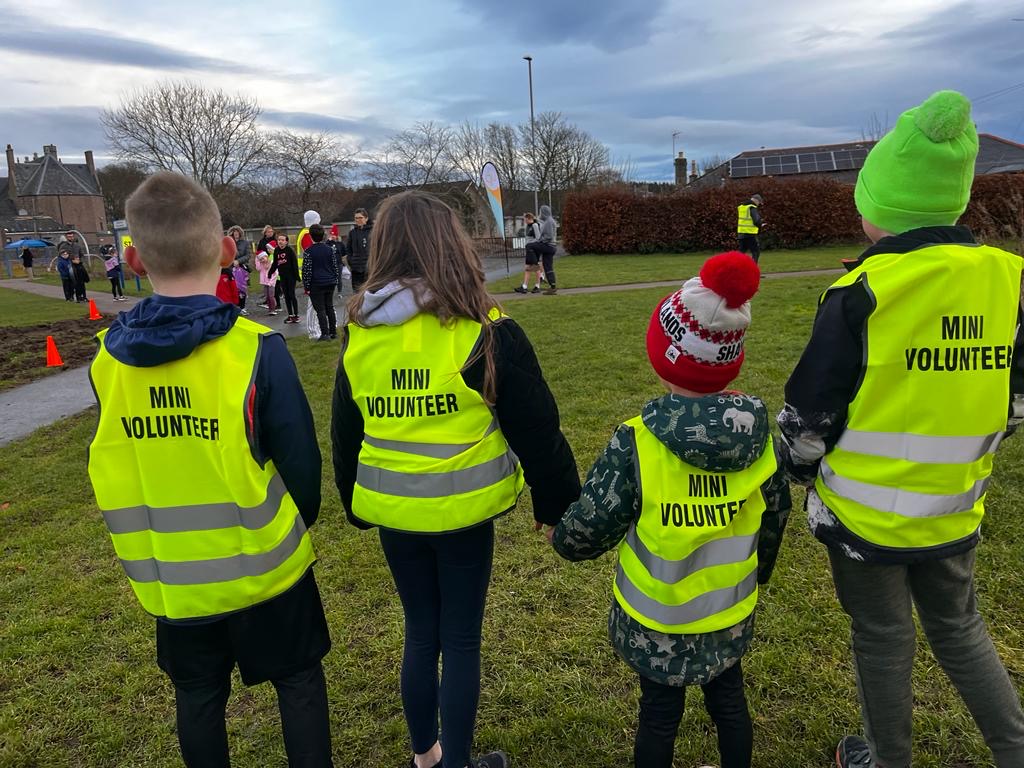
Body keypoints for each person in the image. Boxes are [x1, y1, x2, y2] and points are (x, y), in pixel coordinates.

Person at [776, 90, 1024, 768]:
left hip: (863, 521)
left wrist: (794, 474)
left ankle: (886, 759)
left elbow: (807, 419)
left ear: (879, 207)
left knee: (882, 637)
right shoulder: (1009, 278)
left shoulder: (861, 290)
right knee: (961, 628)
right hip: (953, 508)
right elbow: (1014, 396)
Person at [86, 171, 333, 767]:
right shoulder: (257, 349)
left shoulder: (107, 362)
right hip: (267, 566)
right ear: (228, 251)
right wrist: (299, 523)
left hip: (171, 577)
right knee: (298, 684)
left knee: (197, 698)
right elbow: (302, 465)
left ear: (135, 259)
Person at [331, 190, 581, 768]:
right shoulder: (485, 329)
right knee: (459, 638)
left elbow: (345, 430)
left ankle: (427, 757)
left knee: (421, 633)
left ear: (385, 248)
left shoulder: (360, 332)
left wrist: (353, 501)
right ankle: (455, 763)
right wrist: (556, 505)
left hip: (395, 512)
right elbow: (538, 428)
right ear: (454, 245)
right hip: (464, 512)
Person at [551, 251, 790, 768]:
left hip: (655, 619)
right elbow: (774, 518)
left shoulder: (635, 442)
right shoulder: (763, 443)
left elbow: (592, 522)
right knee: (730, 705)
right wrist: (760, 572)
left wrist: (562, 539)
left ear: (665, 355)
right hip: (728, 611)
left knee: (658, 716)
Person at [301, 223, 340, 341]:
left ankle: (325, 333)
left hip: (316, 284)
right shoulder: (330, 250)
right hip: (330, 282)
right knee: (329, 307)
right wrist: (335, 279)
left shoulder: (308, 252)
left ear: (311, 236)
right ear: (323, 235)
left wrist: (306, 286)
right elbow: (335, 266)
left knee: (320, 309)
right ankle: (333, 332)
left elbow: (306, 271)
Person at [524, 205, 557, 294]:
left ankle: (534, 264)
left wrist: (541, 241)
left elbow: (549, 236)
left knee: (529, 246)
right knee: (548, 267)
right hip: (551, 247)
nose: (540, 214)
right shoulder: (549, 221)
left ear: (544, 212)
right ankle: (552, 287)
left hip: (548, 246)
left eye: (540, 212)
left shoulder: (549, 222)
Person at [272, 232, 300, 324]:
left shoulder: (290, 250)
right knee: (286, 296)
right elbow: (275, 263)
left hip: (291, 276)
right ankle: (290, 315)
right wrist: (270, 272)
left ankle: (296, 315)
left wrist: (297, 276)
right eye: (279, 240)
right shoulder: (276, 250)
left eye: (282, 240)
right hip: (282, 276)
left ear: (286, 242)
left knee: (292, 295)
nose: (280, 241)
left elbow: (294, 264)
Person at [513, 213, 544, 294]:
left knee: (535, 267)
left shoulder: (534, 225)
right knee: (527, 267)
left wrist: (530, 244)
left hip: (533, 249)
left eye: (524, 219)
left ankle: (537, 286)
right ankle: (524, 286)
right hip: (529, 249)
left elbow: (538, 238)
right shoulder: (528, 226)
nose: (524, 220)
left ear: (528, 218)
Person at [346, 208, 372, 291]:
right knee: (357, 294)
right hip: (356, 269)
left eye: (360, 217)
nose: (358, 220)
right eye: (356, 218)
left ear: (366, 218)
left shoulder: (373, 231)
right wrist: (351, 261)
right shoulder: (352, 233)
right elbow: (349, 249)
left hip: (369, 269)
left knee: (369, 292)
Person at [736, 194, 763, 264]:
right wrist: (761, 225)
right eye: (759, 202)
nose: (758, 204)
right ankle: (753, 271)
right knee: (756, 252)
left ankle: (735, 268)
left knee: (741, 253)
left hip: (741, 233)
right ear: (756, 200)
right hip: (750, 234)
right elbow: (756, 221)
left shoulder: (742, 207)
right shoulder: (752, 207)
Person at [255, 248, 279, 316]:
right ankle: (270, 309)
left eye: (263, 258)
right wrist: (257, 259)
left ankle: (273, 309)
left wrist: (271, 282)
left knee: (271, 296)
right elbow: (258, 268)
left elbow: (275, 273)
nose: (262, 260)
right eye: (261, 259)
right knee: (267, 296)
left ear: (266, 256)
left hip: (271, 283)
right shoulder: (261, 264)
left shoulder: (271, 263)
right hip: (265, 282)